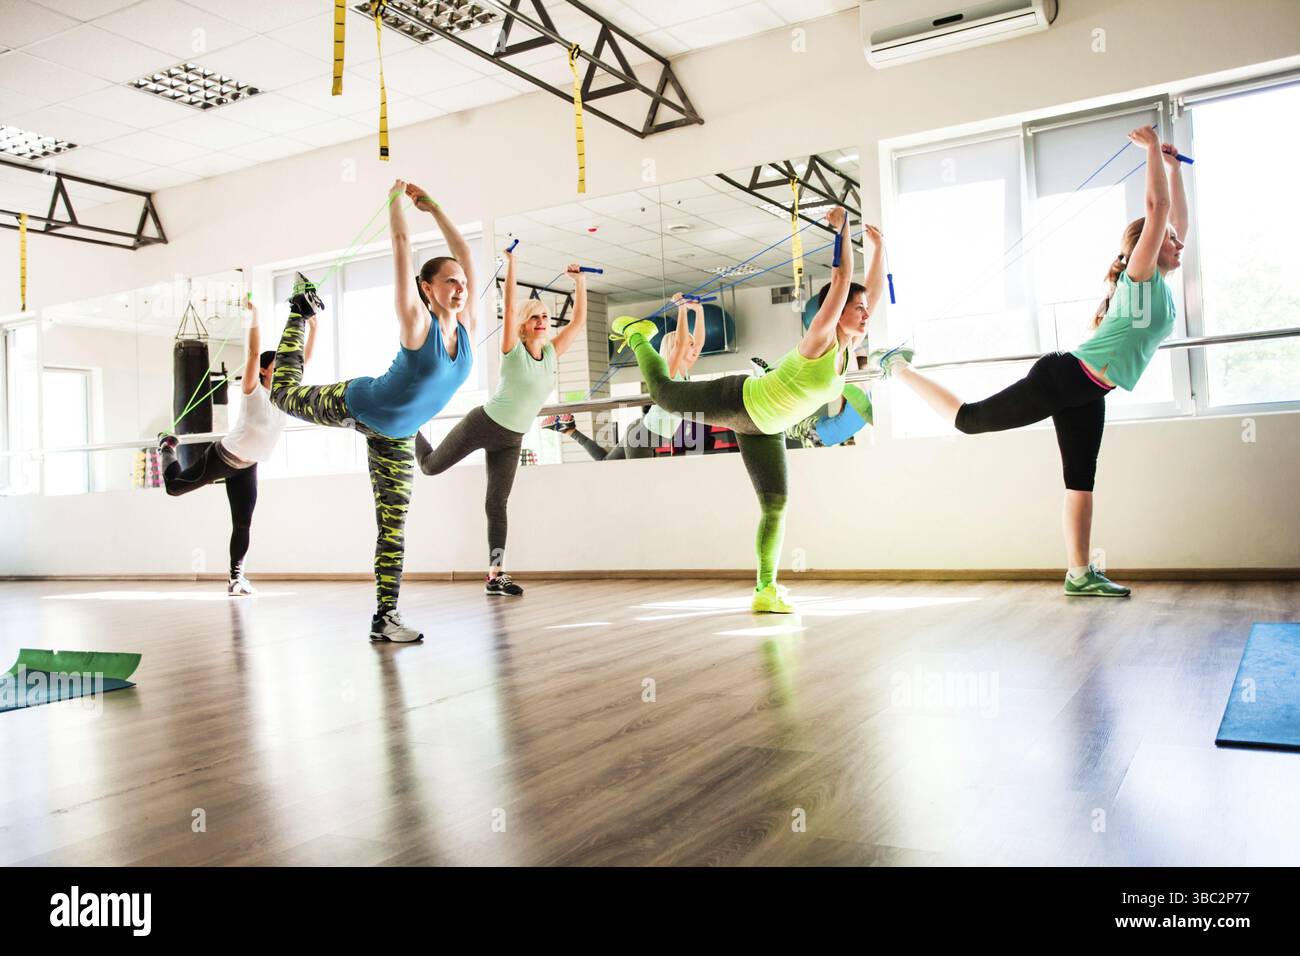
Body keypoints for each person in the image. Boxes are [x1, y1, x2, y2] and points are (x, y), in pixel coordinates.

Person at [878, 126, 1186, 597]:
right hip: (1064, 379)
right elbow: (1158, 211)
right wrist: (1149, 154)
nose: (1180, 243)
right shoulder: (1141, 275)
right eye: (1171, 240)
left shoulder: (1159, 280)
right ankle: (897, 366)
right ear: (1151, 242)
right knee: (970, 420)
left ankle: (1079, 574)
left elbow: (1173, 218)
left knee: (1081, 482)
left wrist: (1172, 166)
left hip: (1090, 390)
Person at [607, 209, 887, 612]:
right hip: (740, 401)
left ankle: (765, 591)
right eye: (857, 308)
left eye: (865, 309)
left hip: (766, 429)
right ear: (837, 310)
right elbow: (842, 280)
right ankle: (639, 337)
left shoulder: (847, 351)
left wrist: (879, 250)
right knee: (666, 395)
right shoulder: (821, 339)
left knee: (775, 505)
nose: (865, 313)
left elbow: (869, 294)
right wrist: (843, 231)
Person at [269, 180, 478, 642]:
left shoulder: (466, 328)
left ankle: (385, 617)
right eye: (450, 281)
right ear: (428, 287)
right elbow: (401, 246)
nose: (460, 288)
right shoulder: (416, 319)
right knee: (281, 394)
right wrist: (396, 204)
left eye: (463, 283)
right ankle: (298, 313)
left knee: (393, 524)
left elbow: (464, 250)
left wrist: (437, 208)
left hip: (395, 437)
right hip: (357, 401)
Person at [413, 245, 589, 596]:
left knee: (496, 503)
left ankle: (496, 574)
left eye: (545, 316)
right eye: (535, 317)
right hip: (485, 423)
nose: (542, 321)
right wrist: (513, 265)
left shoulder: (552, 352)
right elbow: (507, 308)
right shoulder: (513, 351)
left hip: (512, 438)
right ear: (524, 326)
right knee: (431, 467)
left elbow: (578, 321)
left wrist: (579, 282)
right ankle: (408, 425)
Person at [158, 297, 317, 595]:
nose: (285, 366)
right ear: (265, 371)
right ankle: (167, 447)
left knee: (243, 523)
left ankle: (236, 578)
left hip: (248, 465)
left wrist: (313, 323)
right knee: (175, 488)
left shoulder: (286, 395)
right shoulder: (252, 390)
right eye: (277, 363)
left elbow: (304, 359)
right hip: (223, 456)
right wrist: (254, 315)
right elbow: (254, 351)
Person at [548, 294, 707, 460]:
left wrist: (699, 310)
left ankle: (570, 430)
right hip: (642, 438)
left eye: (693, 345)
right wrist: (681, 308)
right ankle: (569, 430)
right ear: (676, 348)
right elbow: (680, 343)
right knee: (628, 476)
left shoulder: (684, 370)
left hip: (643, 430)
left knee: (606, 463)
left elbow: (699, 342)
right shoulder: (670, 370)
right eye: (690, 345)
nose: (695, 348)